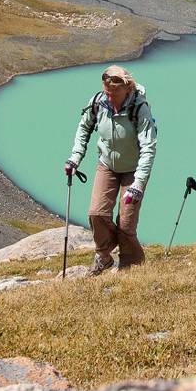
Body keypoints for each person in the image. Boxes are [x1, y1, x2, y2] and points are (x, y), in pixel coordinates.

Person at [65, 65, 157, 271]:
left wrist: (138, 184)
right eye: (107, 92)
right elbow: (84, 127)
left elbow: (148, 148)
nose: (110, 97)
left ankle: (131, 267)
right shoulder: (98, 102)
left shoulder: (139, 108)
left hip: (134, 170)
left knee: (126, 224)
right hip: (107, 165)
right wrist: (75, 157)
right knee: (96, 214)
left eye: (114, 93)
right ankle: (104, 258)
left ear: (127, 89)